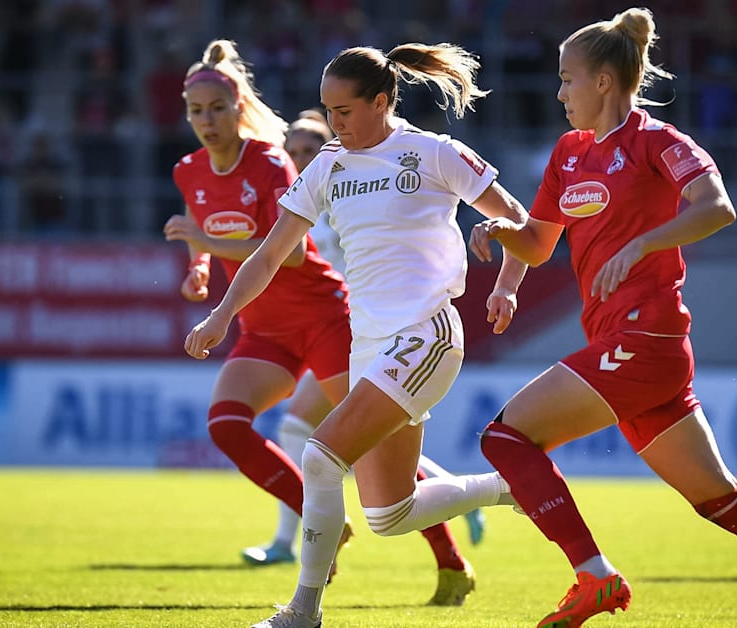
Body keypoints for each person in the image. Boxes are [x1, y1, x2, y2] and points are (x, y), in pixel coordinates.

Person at [466, 9, 737, 628]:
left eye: (567, 79)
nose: (558, 93)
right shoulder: (568, 152)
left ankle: (594, 576)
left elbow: (717, 208)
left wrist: (642, 245)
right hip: (631, 348)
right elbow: (538, 242)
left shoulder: (657, 142)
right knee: (721, 502)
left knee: (504, 438)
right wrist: (505, 248)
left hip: (645, 338)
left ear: (605, 83)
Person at [184, 42, 529, 628]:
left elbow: (519, 221)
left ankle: (302, 611)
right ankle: (505, 487)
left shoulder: (435, 153)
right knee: (389, 514)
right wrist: (221, 314)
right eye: (326, 110)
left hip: (428, 332)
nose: (333, 125)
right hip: (367, 346)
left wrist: (507, 285)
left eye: (343, 111)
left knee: (318, 457)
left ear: (382, 100)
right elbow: (270, 255)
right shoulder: (328, 166)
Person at [243, 112, 487, 568]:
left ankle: (291, 555)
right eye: (290, 150)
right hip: (356, 332)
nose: (296, 157)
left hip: (353, 327)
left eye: (307, 149)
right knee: (325, 440)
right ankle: (288, 545)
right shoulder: (310, 199)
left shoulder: (348, 190)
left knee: (325, 441)